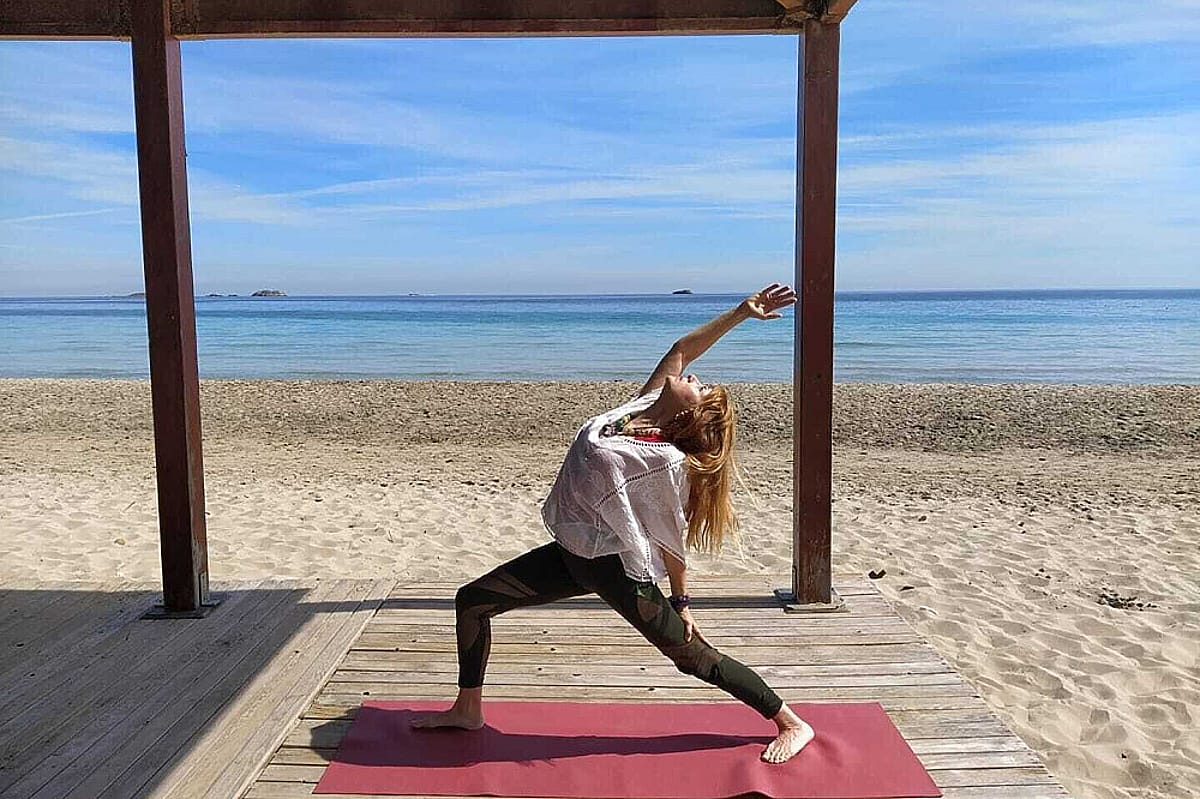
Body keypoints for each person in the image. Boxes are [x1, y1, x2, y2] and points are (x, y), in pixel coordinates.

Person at [411, 283, 814, 764]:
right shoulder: (640, 408)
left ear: (689, 412)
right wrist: (740, 314)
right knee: (472, 601)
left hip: (617, 569)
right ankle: (468, 709)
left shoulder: (660, 460)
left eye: (701, 388)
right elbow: (682, 350)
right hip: (571, 553)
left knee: (689, 656)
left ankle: (790, 720)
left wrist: (681, 603)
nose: (696, 377)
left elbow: (669, 537)